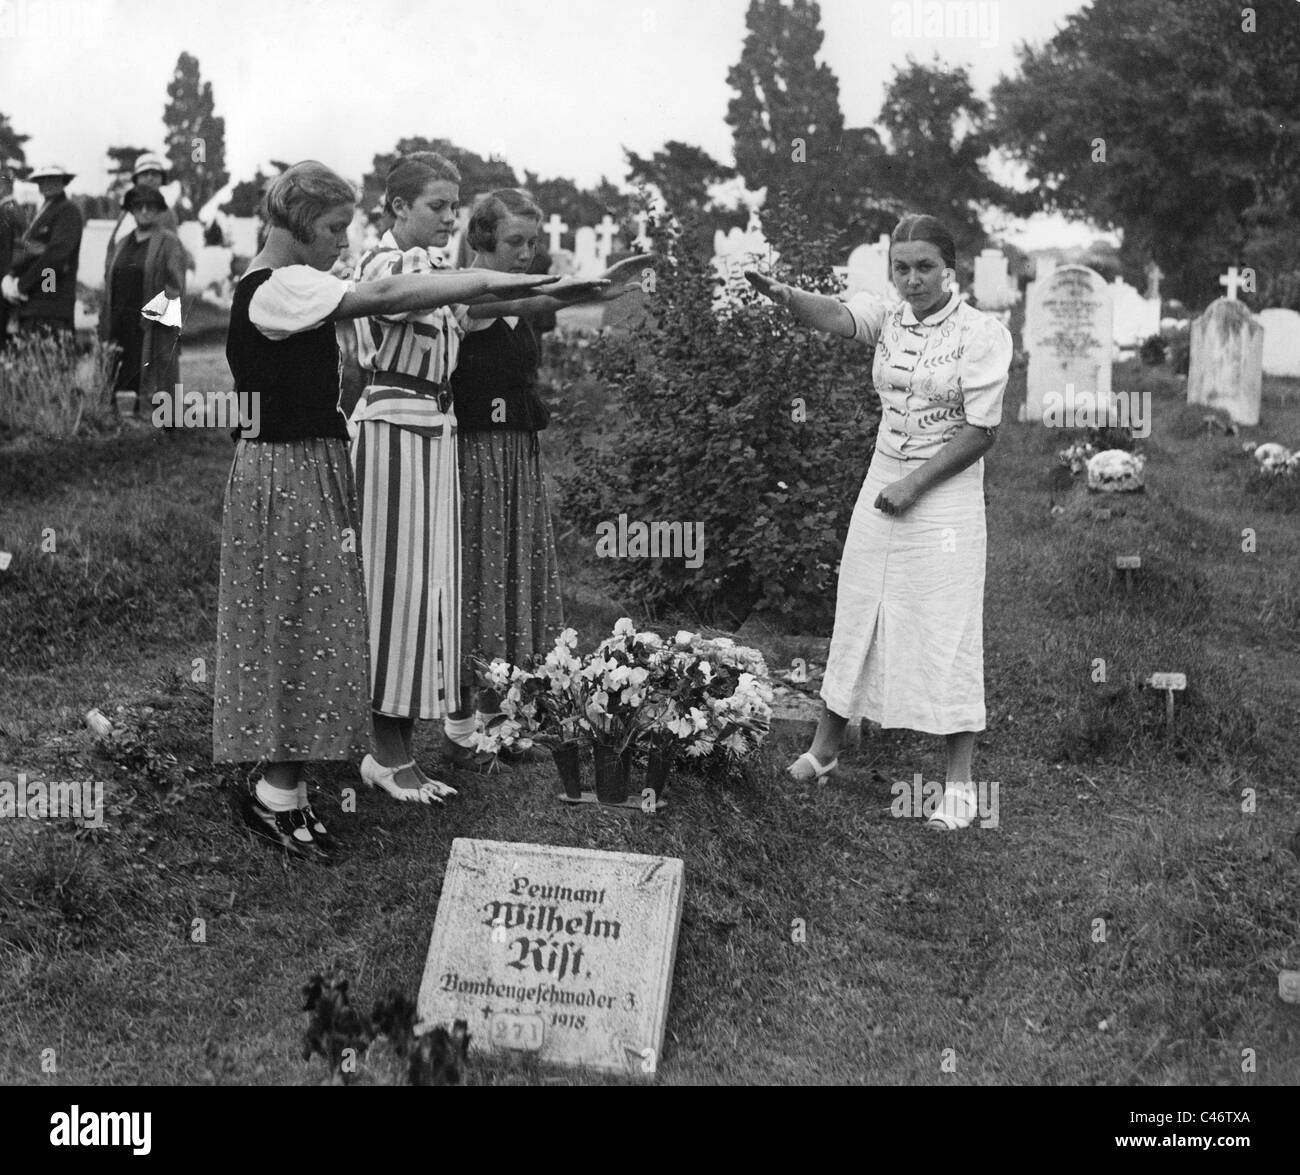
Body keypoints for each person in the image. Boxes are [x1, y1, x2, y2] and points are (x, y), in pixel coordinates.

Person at [213, 160, 560, 860]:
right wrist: (493, 279)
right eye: (336, 228)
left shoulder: (294, 282)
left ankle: (288, 784)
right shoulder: (278, 287)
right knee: (302, 617)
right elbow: (391, 291)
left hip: (311, 458)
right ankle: (273, 788)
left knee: (320, 617)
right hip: (285, 468)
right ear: (299, 223)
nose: (344, 241)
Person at [747, 214, 1012, 831]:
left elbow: (982, 431)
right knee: (860, 604)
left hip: (942, 492)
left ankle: (959, 784)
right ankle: (823, 749)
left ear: (950, 269)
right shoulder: (891, 318)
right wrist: (787, 296)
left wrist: (913, 486)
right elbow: (839, 315)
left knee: (945, 621)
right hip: (883, 477)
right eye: (901, 268)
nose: (912, 280)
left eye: (924, 267)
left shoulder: (981, 333)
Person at [451, 190, 639, 760]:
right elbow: (521, 303)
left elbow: (536, 311)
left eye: (533, 242)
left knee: (509, 573)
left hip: (516, 452)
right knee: (476, 574)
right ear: (482, 240)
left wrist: (595, 289)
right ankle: (460, 729)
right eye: (514, 241)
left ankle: (497, 714)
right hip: (476, 451)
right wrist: (592, 285)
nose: (527, 253)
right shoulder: (468, 294)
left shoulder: (520, 298)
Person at [100, 184, 186, 418]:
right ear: (132, 210)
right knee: (119, 371)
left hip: (149, 323)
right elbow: (109, 279)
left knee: (150, 373)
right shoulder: (122, 243)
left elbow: (175, 286)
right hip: (120, 318)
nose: (145, 211)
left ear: (159, 211)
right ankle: (120, 416)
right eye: (139, 206)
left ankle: (153, 417)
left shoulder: (168, 242)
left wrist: (151, 314)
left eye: (151, 206)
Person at [3, 164, 83, 338]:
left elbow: (56, 255)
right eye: (43, 180)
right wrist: (10, 275)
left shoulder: (67, 210)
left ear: (64, 182)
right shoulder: (45, 210)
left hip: (51, 306)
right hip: (32, 306)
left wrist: (20, 285)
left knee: (46, 358)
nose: (47, 184)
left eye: (54, 179)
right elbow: (28, 252)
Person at [0, 171, 25, 348]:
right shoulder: (15, 209)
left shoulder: (7, 210)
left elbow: (13, 249)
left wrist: (7, 275)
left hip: (5, 281)